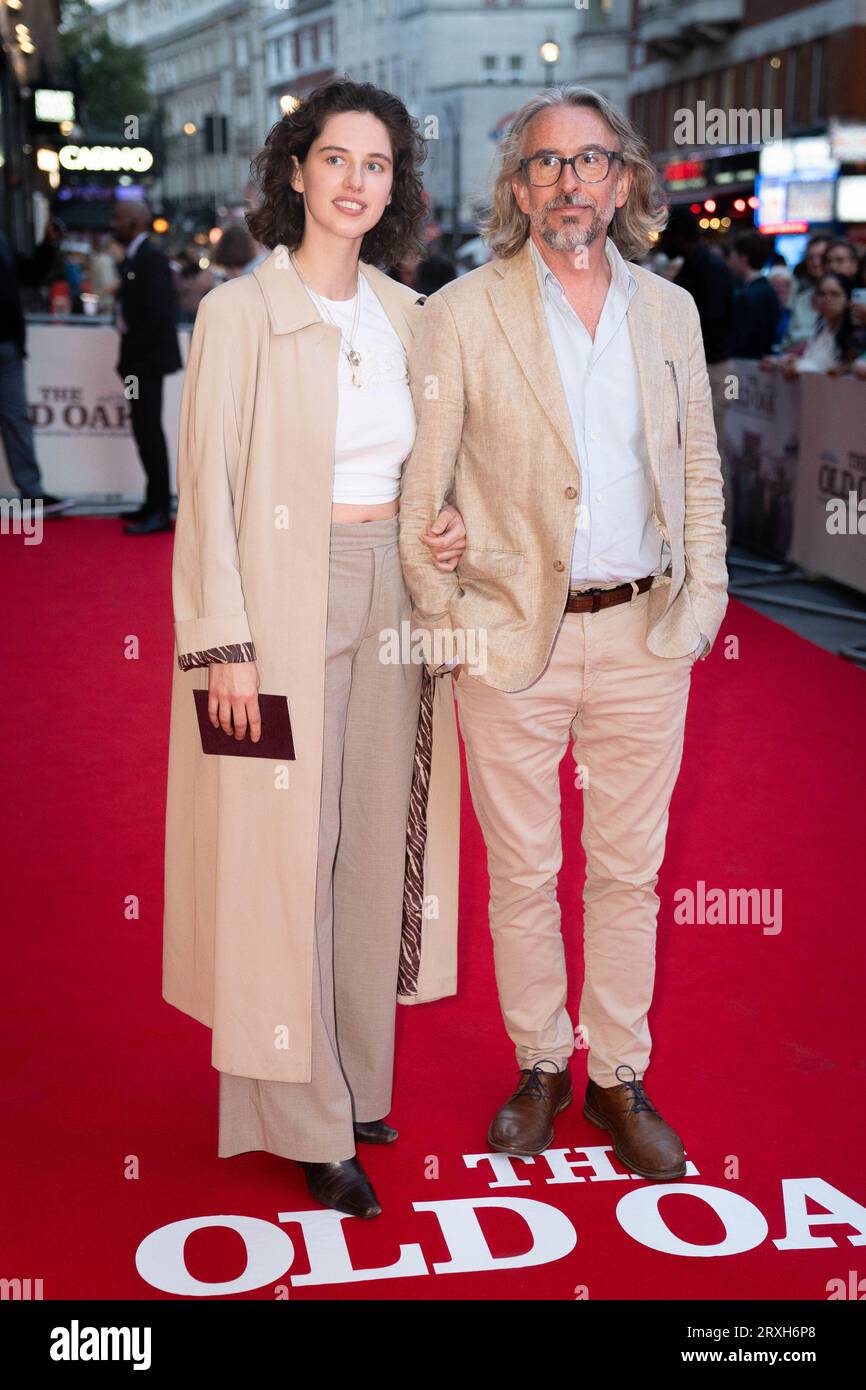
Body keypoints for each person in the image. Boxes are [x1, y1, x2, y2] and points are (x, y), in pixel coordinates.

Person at [399, 84, 728, 1178]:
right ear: (517, 189)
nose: (565, 182)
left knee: (628, 872)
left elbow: (692, 468)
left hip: (643, 632)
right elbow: (422, 484)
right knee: (524, 873)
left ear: (622, 182)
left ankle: (616, 1076)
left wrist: (703, 602)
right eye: (542, 164)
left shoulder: (670, 312)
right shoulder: (458, 312)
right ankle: (541, 1063)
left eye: (587, 162)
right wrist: (445, 607)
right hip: (509, 641)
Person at [163, 78, 467, 1221]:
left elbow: (432, 472)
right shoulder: (241, 312)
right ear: (294, 170)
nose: (355, 181)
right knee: (282, 852)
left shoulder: (408, 312)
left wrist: (444, 525)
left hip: (390, 587)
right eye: (335, 158)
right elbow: (209, 500)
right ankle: (300, 1113)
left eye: (377, 165)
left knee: (368, 843)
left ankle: (354, 1080)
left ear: (395, 187)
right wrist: (221, 653)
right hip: (273, 612)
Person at [660, 205, 735, 541]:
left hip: (713, 370)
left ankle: (719, 541)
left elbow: (709, 323)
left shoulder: (710, 268)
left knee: (709, 457)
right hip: (700, 368)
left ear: (678, 234)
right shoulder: (695, 265)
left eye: (664, 233)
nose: (660, 240)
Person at [110, 199, 183, 533]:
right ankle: (152, 502)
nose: (114, 223)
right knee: (143, 428)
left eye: (119, 218)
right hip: (137, 365)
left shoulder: (149, 258)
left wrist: (134, 357)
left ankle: (158, 508)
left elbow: (157, 314)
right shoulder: (139, 256)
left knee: (148, 429)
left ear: (134, 222)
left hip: (144, 366)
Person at [0, 220, 73, 513]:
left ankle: (32, 493)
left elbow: (29, 274)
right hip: (8, 344)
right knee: (17, 422)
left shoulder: (1, 239)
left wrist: (48, 245)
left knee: (18, 421)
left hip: (8, 346)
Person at [769, 272, 866, 378]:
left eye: (835, 294)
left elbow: (833, 371)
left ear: (848, 300)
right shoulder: (820, 327)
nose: (826, 299)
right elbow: (814, 362)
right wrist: (791, 361)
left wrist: (798, 366)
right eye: (822, 294)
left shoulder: (856, 335)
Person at [730, 231, 781, 358]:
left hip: (749, 365)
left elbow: (743, 337)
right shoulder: (766, 289)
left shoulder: (750, 294)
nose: (730, 260)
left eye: (733, 255)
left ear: (743, 258)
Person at [786, 234, 828, 345]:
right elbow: (788, 338)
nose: (815, 263)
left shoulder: (846, 295)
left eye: (820, 257)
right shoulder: (802, 298)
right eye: (811, 257)